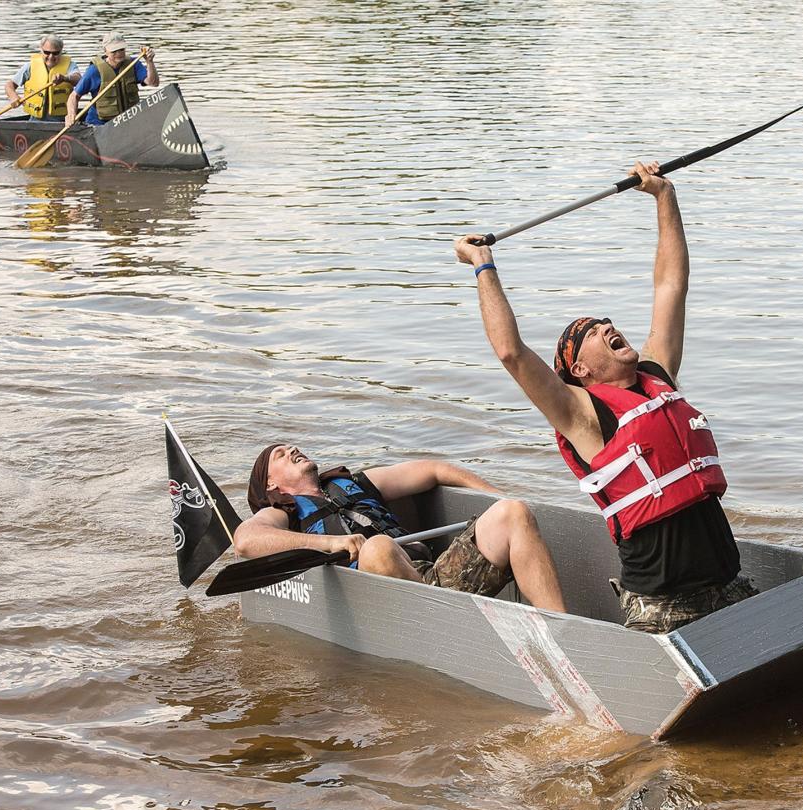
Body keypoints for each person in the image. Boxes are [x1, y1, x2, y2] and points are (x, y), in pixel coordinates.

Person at [454, 161, 757, 633]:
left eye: (606, 322)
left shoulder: (658, 374)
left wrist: (664, 196)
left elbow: (670, 284)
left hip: (728, 585)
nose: (607, 326)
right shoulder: (583, 416)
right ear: (580, 369)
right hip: (665, 604)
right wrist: (483, 265)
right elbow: (511, 352)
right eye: (591, 332)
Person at [234, 443, 567, 612]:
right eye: (280, 453)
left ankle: (562, 631)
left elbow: (433, 470)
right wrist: (330, 543)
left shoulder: (353, 483)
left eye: (291, 446)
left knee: (513, 512)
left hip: (432, 577)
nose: (292, 449)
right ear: (271, 484)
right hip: (385, 601)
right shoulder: (284, 513)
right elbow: (245, 541)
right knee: (377, 547)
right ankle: (453, 625)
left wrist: (496, 496)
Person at [65, 32, 159, 127]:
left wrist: (149, 62)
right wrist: (71, 115)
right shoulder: (94, 70)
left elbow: (153, 82)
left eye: (121, 49)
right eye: (114, 51)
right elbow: (74, 96)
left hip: (129, 121)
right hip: (100, 124)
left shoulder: (133, 64)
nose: (119, 53)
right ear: (106, 51)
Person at [4, 34, 82, 121]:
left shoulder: (70, 65)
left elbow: (79, 80)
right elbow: (9, 85)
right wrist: (13, 96)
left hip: (63, 120)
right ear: (41, 50)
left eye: (55, 53)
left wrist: (65, 78)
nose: (51, 57)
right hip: (35, 120)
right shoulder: (30, 67)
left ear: (61, 51)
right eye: (47, 52)